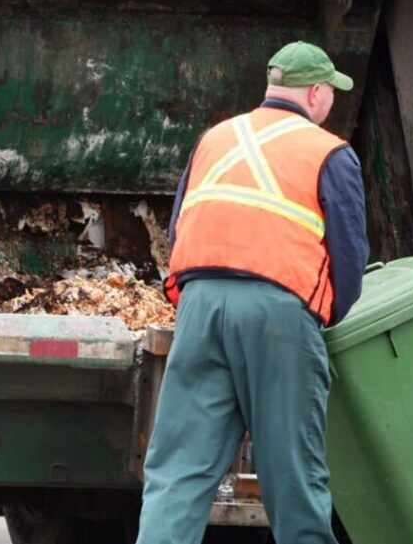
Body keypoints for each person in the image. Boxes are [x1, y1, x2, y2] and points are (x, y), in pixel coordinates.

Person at [138, 42, 369, 544]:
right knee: (293, 475)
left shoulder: (215, 138)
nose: (331, 100)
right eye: (331, 91)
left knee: (178, 469)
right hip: (279, 314)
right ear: (315, 93)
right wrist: (324, 316)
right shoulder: (328, 150)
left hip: (200, 305)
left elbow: (179, 229)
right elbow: (349, 255)